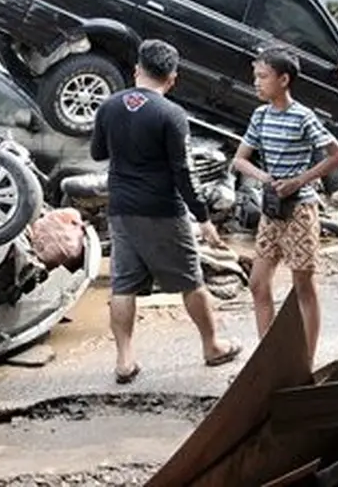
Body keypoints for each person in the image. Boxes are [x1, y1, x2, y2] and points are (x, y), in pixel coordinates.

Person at [90, 39, 242, 384]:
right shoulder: (171, 114)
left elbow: (99, 152)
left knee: (123, 285)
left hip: (121, 208)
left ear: (136, 70)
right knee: (191, 280)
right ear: (172, 77)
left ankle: (124, 361)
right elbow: (183, 171)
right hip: (161, 209)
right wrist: (203, 218)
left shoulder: (109, 107)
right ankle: (213, 345)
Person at [231, 47, 338, 367]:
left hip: (300, 210)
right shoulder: (260, 115)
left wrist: (299, 181)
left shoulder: (303, 115)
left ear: (284, 80)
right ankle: (269, 359)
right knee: (257, 283)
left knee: (303, 288)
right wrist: (264, 176)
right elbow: (240, 160)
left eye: (263, 77)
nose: (257, 83)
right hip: (272, 210)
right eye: (255, 76)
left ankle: (306, 362)